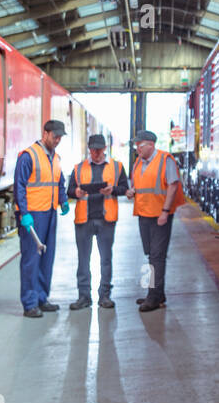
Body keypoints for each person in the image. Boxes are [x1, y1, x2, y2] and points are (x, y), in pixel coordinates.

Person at [13, 120, 70, 318]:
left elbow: (59, 181)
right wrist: (24, 213)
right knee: (31, 259)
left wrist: (63, 200)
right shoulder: (28, 156)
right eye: (55, 136)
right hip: (33, 215)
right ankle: (29, 303)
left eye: (60, 137)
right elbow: (19, 186)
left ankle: (41, 298)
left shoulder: (55, 158)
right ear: (45, 133)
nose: (58, 140)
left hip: (50, 212)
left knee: (47, 258)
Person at [69, 133, 128, 310]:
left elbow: (124, 188)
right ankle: (84, 296)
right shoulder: (78, 168)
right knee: (83, 260)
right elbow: (70, 190)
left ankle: (105, 296)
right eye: (93, 150)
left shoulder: (117, 167)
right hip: (84, 220)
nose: (96, 153)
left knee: (106, 259)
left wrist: (113, 189)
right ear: (89, 149)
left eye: (99, 149)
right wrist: (76, 193)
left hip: (106, 220)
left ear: (105, 148)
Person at [126, 130, 182, 312]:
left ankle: (153, 296)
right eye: (136, 146)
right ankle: (157, 293)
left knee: (157, 256)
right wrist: (131, 191)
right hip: (143, 213)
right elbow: (139, 185)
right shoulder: (138, 163)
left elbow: (173, 185)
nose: (137, 149)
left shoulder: (165, 160)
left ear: (150, 144)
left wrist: (165, 211)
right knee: (150, 254)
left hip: (160, 215)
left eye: (139, 146)